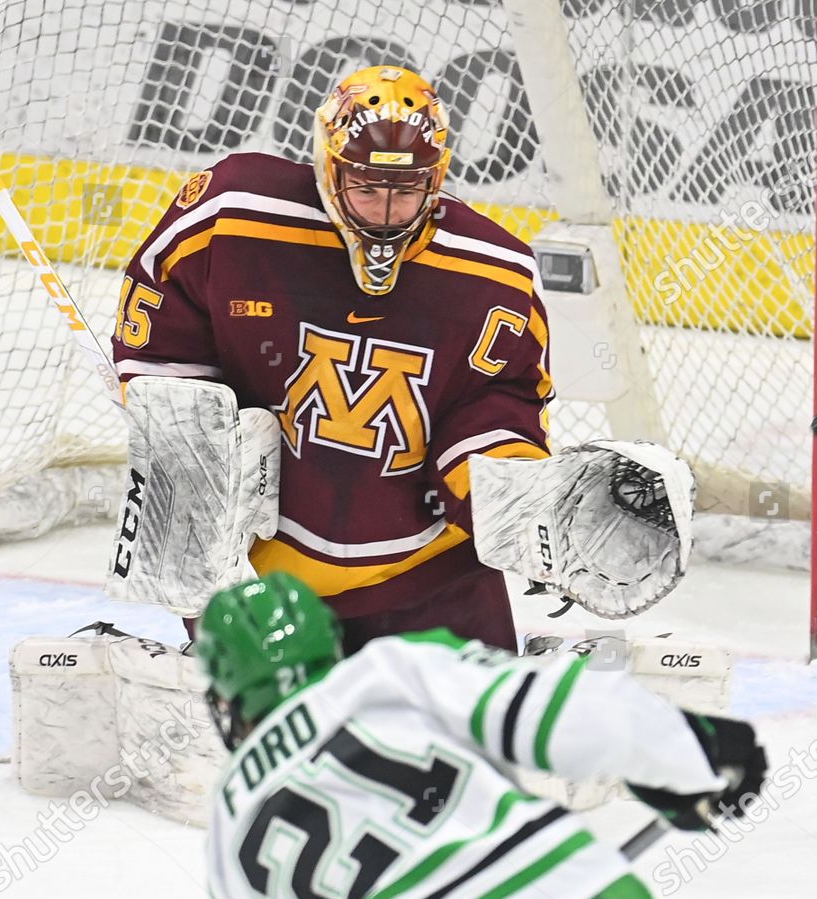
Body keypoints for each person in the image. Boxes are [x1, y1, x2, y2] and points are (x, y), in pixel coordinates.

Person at [112, 64, 553, 653]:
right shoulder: (233, 215)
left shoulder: (495, 273)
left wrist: (513, 499)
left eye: (406, 191)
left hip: (429, 574)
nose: (386, 213)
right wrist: (185, 439)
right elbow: (162, 341)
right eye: (366, 189)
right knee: (268, 745)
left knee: (465, 739)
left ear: (437, 177)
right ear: (328, 164)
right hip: (250, 574)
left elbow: (499, 403)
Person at [196, 572, 767, 899]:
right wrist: (690, 758)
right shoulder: (387, 669)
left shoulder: (224, 828)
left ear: (229, 697)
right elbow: (563, 710)